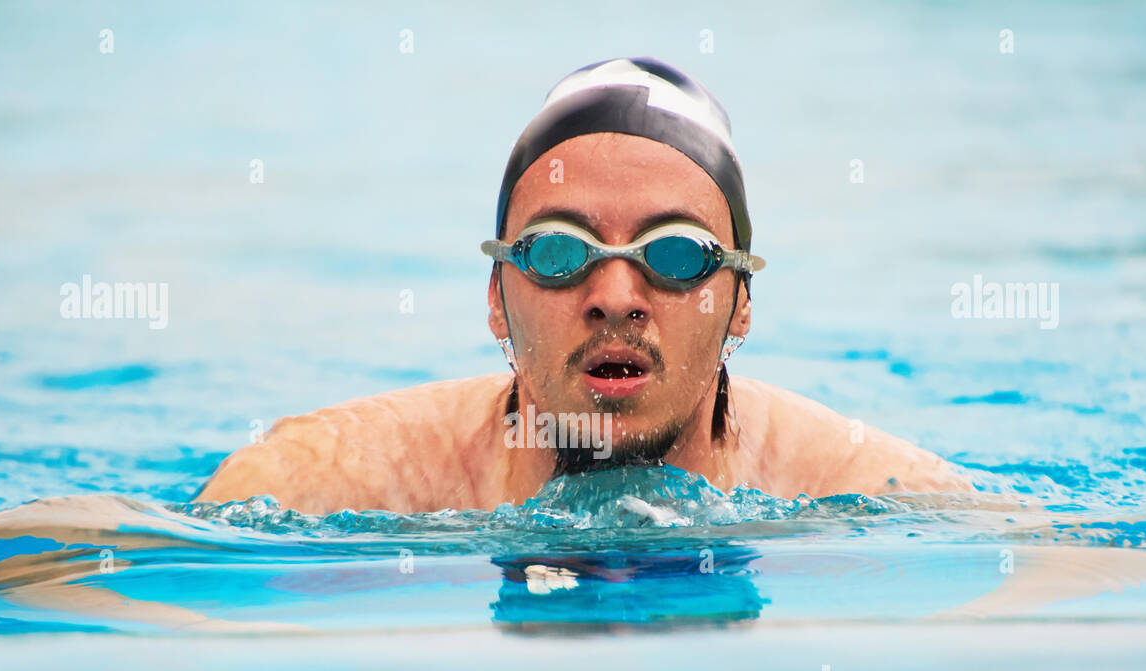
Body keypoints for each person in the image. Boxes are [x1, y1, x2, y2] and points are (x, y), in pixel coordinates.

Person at [196, 57, 970, 515]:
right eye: (561, 250)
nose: (616, 294)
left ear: (740, 302)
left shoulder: (866, 488)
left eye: (675, 254)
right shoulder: (322, 479)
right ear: (498, 296)